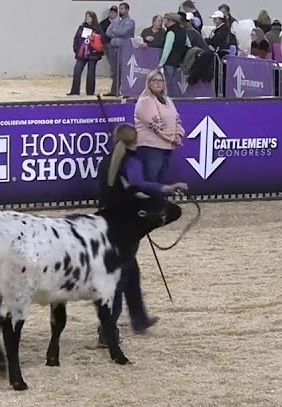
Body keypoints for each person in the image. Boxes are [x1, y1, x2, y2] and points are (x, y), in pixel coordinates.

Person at [95, 124, 186, 342]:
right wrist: (166, 189)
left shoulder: (107, 161)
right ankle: (107, 333)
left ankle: (139, 318)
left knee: (130, 273)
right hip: (123, 225)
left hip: (107, 221)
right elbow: (139, 184)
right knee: (121, 277)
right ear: (136, 140)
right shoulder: (132, 160)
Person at [69, 11, 105, 96]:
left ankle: (90, 92)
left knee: (91, 74)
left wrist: (94, 37)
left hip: (93, 54)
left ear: (93, 18)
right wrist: (76, 49)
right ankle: (74, 91)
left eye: (89, 17)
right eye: (86, 16)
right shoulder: (81, 27)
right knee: (77, 71)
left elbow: (103, 39)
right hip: (82, 53)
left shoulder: (97, 28)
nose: (87, 18)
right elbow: (76, 38)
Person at [104, 3, 135, 97]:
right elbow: (107, 32)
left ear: (127, 10)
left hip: (124, 49)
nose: (120, 10)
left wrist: (115, 31)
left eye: (122, 9)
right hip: (113, 48)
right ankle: (114, 90)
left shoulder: (130, 22)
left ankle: (124, 90)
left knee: (123, 70)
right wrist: (117, 32)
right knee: (114, 70)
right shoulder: (115, 21)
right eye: (119, 8)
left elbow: (123, 32)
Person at [157, 13, 189, 89]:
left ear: (171, 21)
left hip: (169, 62)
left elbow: (167, 49)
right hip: (179, 63)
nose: (165, 23)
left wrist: (161, 63)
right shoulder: (183, 33)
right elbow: (188, 45)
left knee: (168, 84)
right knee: (174, 84)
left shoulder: (171, 32)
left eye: (166, 20)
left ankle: (168, 99)